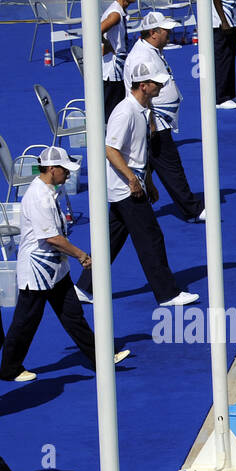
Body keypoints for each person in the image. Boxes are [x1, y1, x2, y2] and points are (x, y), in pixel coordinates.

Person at [0, 148, 130, 382]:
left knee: (73, 315)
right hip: (37, 271)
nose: (68, 175)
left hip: (55, 270)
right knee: (26, 321)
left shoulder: (49, 191)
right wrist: (82, 256)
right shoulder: (38, 197)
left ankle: (101, 357)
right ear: (52, 170)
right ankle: (9, 369)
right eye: (64, 171)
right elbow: (52, 238)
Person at [75, 67, 199, 309]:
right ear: (143, 86)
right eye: (156, 83)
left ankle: (84, 287)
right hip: (126, 190)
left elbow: (138, 152)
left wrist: (148, 181)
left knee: (110, 240)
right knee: (151, 239)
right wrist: (133, 180)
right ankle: (167, 294)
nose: (160, 87)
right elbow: (111, 150)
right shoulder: (126, 113)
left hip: (131, 185)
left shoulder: (141, 110)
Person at [126, 11, 205, 222]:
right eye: (166, 31)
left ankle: (134, 210)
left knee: (149, 168)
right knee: (171, 167)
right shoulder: (142, 58)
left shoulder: (151, 50)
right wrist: (151, 124)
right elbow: (142, 92)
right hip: (154, 123)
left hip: (156, 120)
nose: (170, 34)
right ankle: (192, 209)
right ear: (153, 32)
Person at [99, 0, 131, 117]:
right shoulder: (115, 15)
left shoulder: (118, 12)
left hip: (116, 69)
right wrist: (106, 43)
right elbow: (97, 30)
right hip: (113, 73)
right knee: (112, 113)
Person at [212, 0, 236, 108]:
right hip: (220, 24)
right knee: (222, 61)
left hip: (231, 20)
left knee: (230, 59)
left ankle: (230, 94)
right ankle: (220, 98)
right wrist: (224, 21)